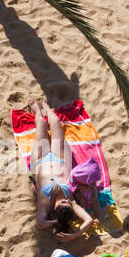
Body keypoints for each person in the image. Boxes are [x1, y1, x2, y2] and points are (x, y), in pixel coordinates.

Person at [30, 100, 95, 244]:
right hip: (60, 159)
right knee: (56, 123)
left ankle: (37, 111)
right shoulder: (72, 202)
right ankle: (46, 106)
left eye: (61, 203)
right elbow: (89, 220)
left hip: (39, 161)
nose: (63, 200)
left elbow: (40, 223)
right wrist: (74, 235)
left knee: (40, 123)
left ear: (54, 208)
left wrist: (56, 222)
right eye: (67, 202)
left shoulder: (45, 205)